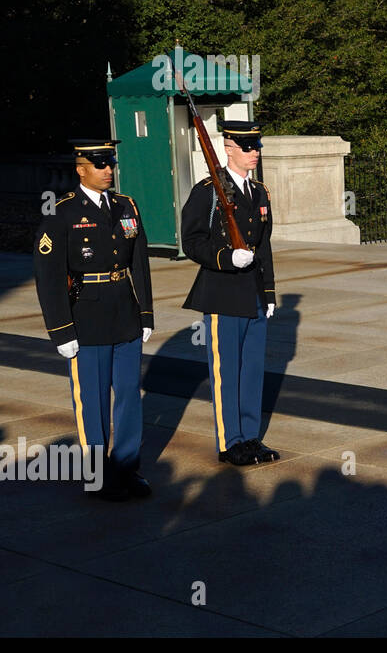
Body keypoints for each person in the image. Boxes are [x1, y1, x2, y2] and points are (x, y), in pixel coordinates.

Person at [33, 140, 154, 501]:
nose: (107, 170)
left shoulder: (126, 205)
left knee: (130, 395)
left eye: (110, 162)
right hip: (86, 316)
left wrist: (145, 313)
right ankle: (97, 473)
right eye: (99, 164)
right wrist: (60, 329)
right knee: (94, 400)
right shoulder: (61, 211)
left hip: (124, 313)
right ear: (80, 168)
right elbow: (48, 273)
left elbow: (139, 264)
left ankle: (126, 467)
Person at [180, 119, 279, 466]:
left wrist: (268, 294)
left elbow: (264, 247)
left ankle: (250, 437)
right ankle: (230, 441)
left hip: (252, 293)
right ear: (228, 148)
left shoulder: (260, 192)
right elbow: (191, 241)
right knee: (226, 372)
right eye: (247, 147)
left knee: (252, 370)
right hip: (222, 293)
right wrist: (226, 257)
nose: (255, 153)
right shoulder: (208, 190)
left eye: (257, 146)